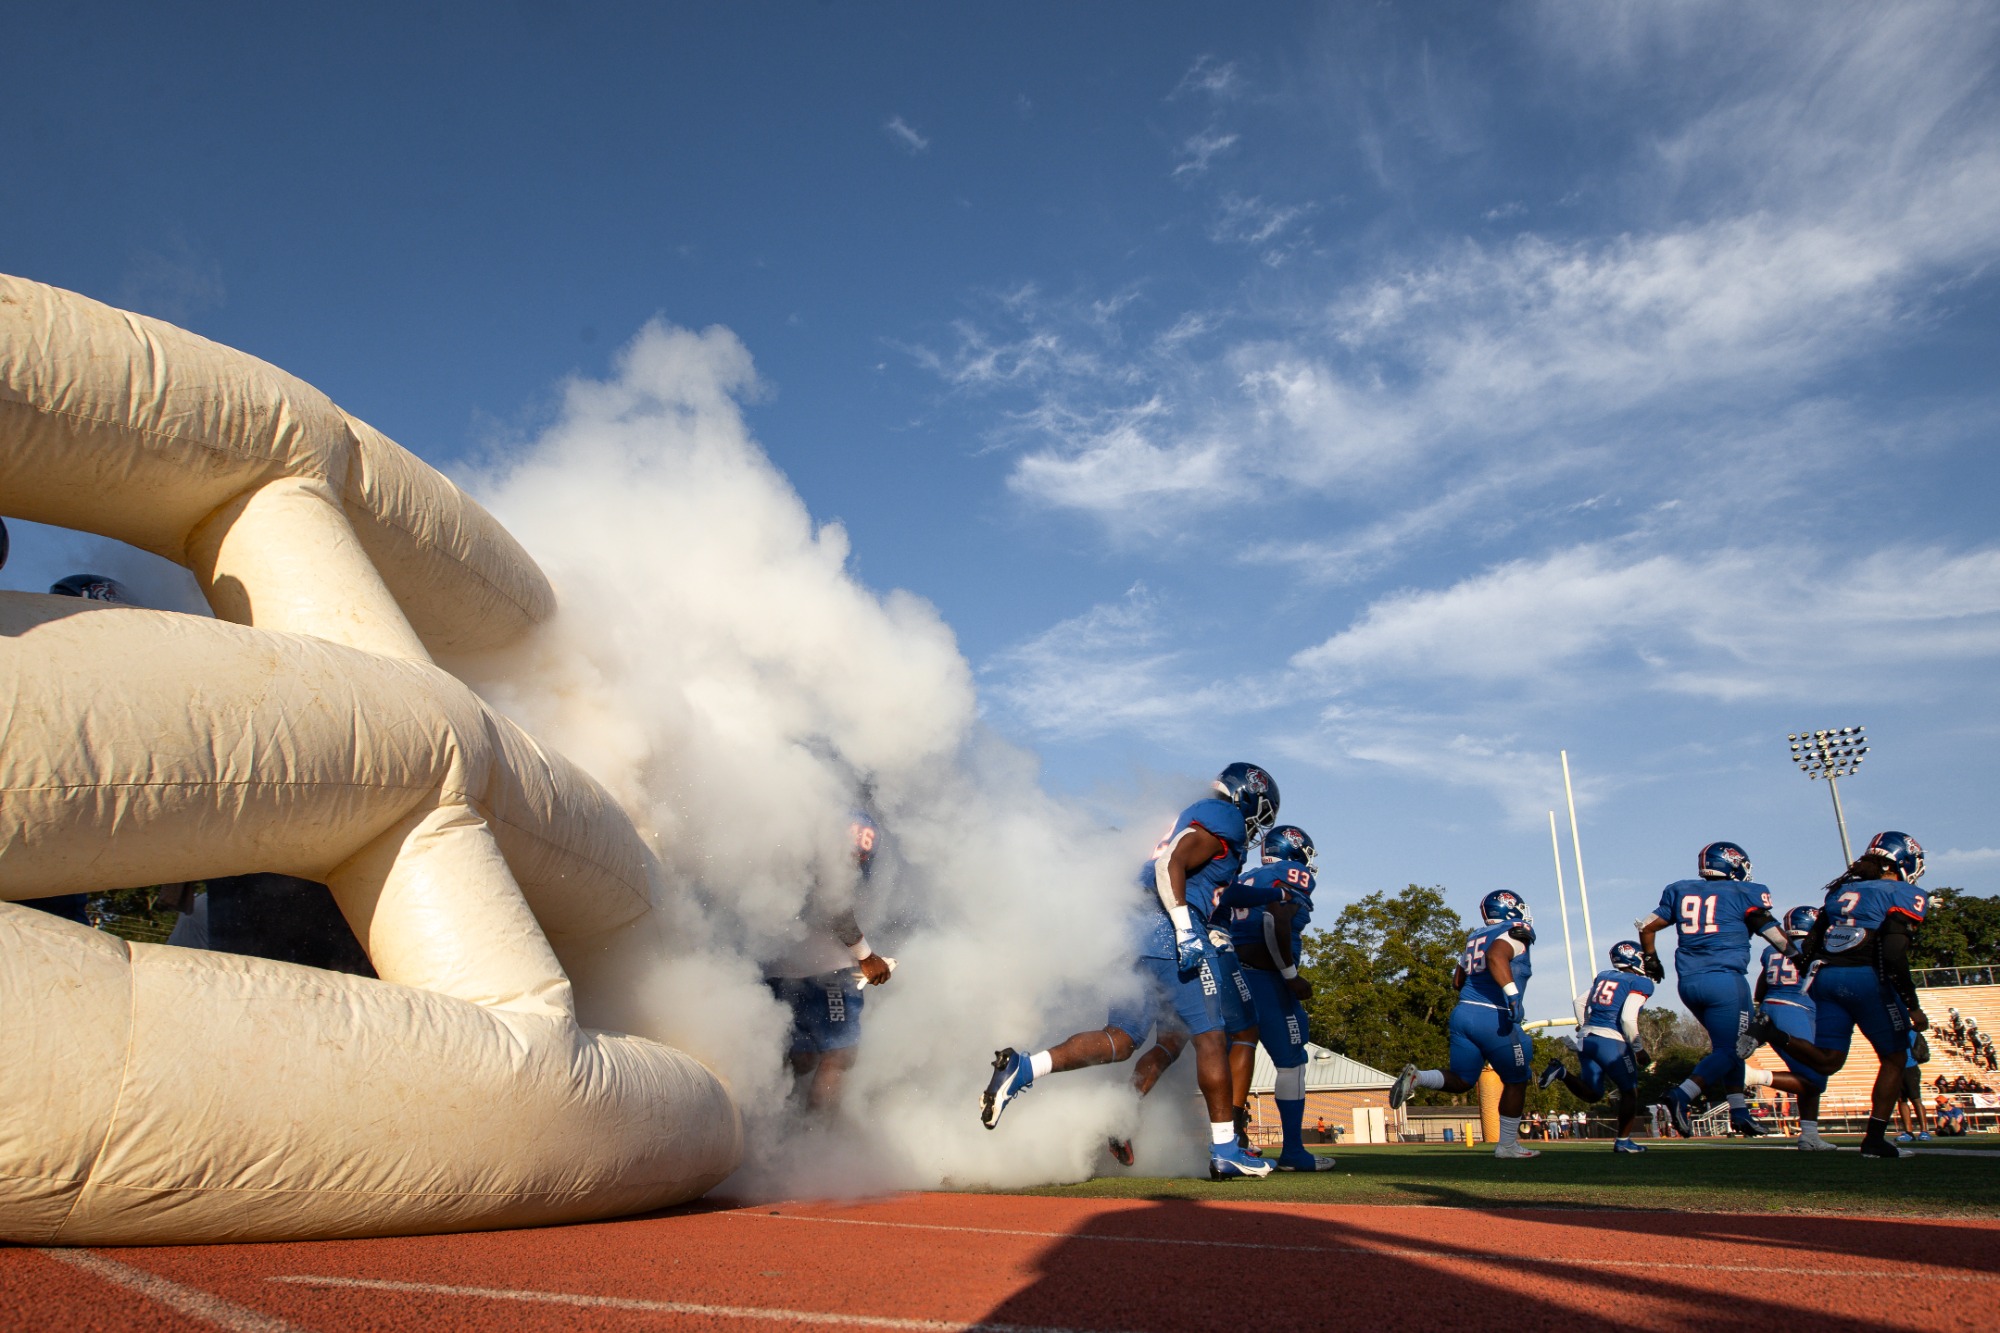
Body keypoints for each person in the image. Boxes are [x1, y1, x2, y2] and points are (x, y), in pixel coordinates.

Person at [981, 763, 1280, 1181]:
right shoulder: (1224, 817)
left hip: (1133, 933)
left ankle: (1025, 1067)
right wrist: (1184, 930)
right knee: (1212, 1037)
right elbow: (1169, 865)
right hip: (1169, 931)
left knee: (1120, 1039)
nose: (1256, 823)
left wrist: (1269, 891)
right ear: (1247, 797)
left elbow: (1208, 881)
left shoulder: (1208, 830)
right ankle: (1227, 1150)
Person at [1637, 841, 1795, 1137]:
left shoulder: (1681, 890)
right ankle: (1682, 1095)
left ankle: (1739, 1112)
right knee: (1734, 1047)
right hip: (1725, 981)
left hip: (1690, 984)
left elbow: (1646, 926)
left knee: (1731, 1048)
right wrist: (1800, 956)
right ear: (1734, 864)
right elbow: (1773, 934)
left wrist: (1651, 959)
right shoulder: (1743, 892)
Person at [1793, 831, 1930, 1159]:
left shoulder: (1841, 891)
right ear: (1903, 862)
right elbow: (1895, 954)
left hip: (1826, 978)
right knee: (1895, 1058)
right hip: (1866, 980)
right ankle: (1875, 1139)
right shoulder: (1901, 891)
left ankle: (1773, 1032)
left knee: (1829, 1060)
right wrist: (1912, 1005)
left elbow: (1810, 946)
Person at [1217, 824, 1335, 1172]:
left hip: (1232, 974)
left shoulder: (1251, 875)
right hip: (1267, 978)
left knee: (1233, 1056)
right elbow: (1275, 918)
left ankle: (1232, 1141)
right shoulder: (1290, 874)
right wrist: (1290, 975)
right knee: (1292, 1063)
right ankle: (1295, 1152)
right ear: (1295, 849)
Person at [1390, 890, 1540, 1159]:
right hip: (1492, 1015)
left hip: (1463, 1013)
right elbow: (1496, 956)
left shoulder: (1475, 937)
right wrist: (1513, 995)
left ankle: (1419, 1077)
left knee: (1462, 1080)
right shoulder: (1515, 931)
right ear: (1509, 909)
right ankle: (1507, 1146)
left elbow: (1457, 981)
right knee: (1517, 1080)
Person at [765, 812, 894, 1113]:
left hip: (777, 962)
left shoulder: (799, 817)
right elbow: (834, 899)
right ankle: (817, 1143)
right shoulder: (857, 825)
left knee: (801, 1057)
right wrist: (866, 956)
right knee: (839, 1054)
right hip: (826, 970)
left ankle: (773, 1133)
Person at [1539, 941, 1655, 1152]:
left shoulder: (1605, 976)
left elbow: (1579, 1002)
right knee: (1630, 1092)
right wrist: (1638, 1049)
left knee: (1593, 1094)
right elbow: (1629, 1019)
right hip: (1611, 1041)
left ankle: (1562, 1072)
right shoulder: (1640, 982)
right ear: (1633, 957)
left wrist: (1585, 1027)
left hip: (1587, 1038)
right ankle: (1623, 1142)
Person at [1744, 906, 1844, 1151]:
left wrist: (1761, 1007)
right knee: (1816, 1077)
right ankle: (1754, 1077)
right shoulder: (1818, 948)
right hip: (1794, 1008)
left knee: (1813, 1076)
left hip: (1776, 1006)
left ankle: (1809, 1135)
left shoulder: (1771, 949)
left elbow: (1761, 984)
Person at [1895, 1032, 1933, 1143]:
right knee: (1901, 1100)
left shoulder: (1910, 1031)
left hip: (1910, 1066)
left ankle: (1924, 1130)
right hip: (1897, 1068)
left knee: (1916, 1099)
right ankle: (1908, 1132)